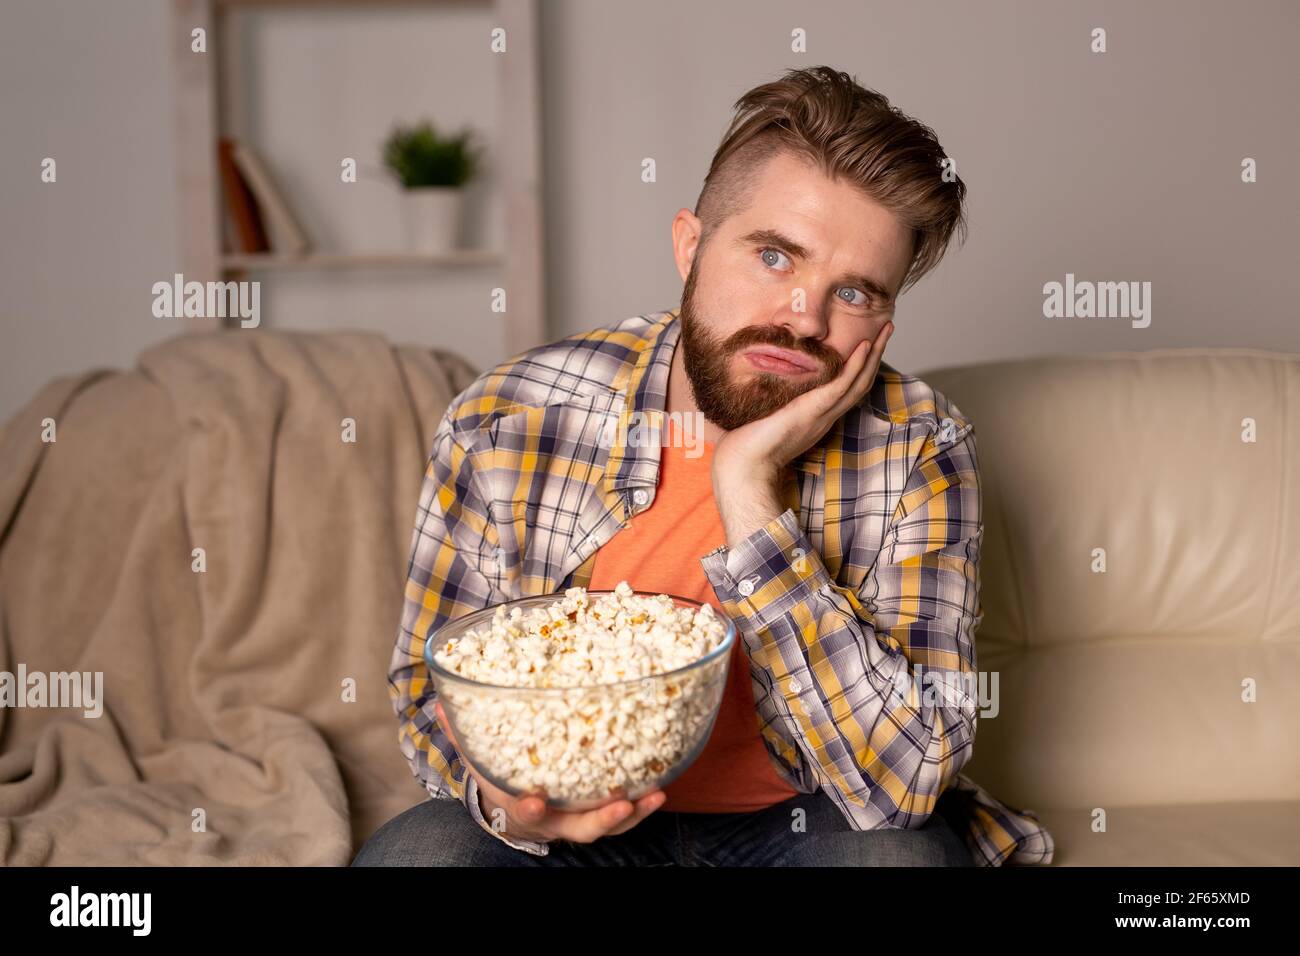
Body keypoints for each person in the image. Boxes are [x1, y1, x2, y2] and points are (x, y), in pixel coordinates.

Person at [354, 65, 1053, 867]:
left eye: (855, 293)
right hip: (575, 836)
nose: (804, 320)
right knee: (419, 857)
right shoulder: (507, 419)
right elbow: (427, 694)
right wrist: (516, 808)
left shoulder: (920, 446)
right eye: (774, 257)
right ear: (690, 246)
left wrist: (749, 494)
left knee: (901, 860)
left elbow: (906, 784)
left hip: (810, 824)